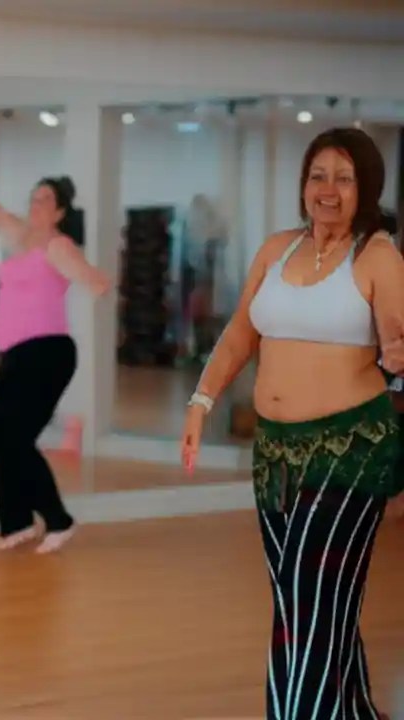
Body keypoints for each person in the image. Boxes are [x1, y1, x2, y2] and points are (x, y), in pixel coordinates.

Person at [183, 127, 404, 720]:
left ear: (367, 188)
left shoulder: (378, 256)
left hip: (350, 452)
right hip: (276, 453)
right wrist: (201, 402)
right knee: (307, 598)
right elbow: (239, 335)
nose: (327, 190)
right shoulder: (277, 249)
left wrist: (398, 350)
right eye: (317, 175)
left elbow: (399, 338)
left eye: (343, 177)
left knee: (307, 605)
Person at [0, 140, 109, 554]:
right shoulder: (21, 236)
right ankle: (15, 522)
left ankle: (59, 519)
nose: (36, 205)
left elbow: (95, 279)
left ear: (59, 212)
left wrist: (92, 281)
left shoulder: (58, 245)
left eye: (45, 201)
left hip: (48, 352)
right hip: (19, 352)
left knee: (14, 437)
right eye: (34, 198)